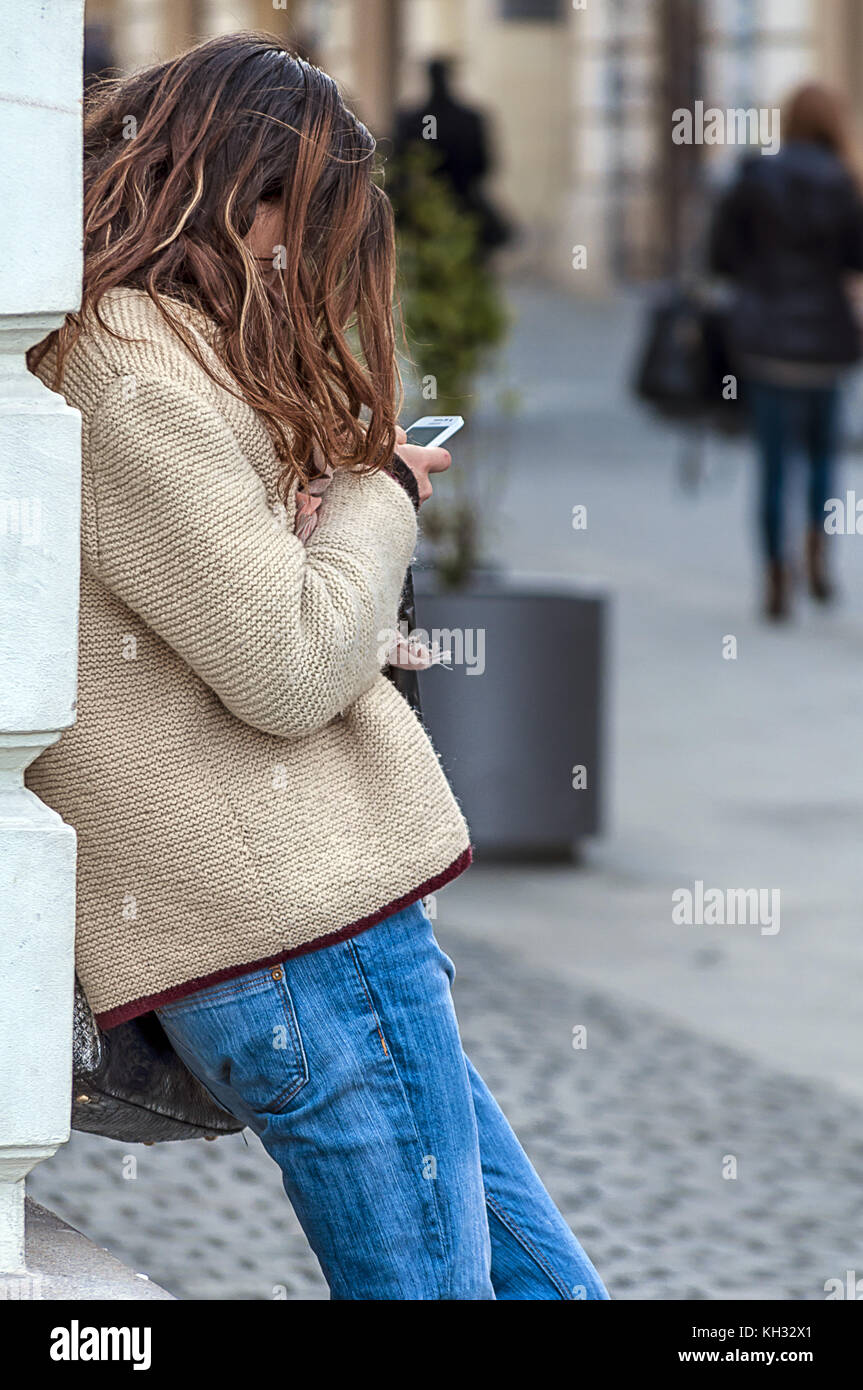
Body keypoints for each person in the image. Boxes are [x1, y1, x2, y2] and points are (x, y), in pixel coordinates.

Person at [27, 34, 607, 1302]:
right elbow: (290, 663)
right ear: (246, 195)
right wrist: (382, 488)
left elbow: (230, 602)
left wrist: (305, 513)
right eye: (312, 224)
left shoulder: (122, 344)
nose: (307, 268)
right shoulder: (131, 368)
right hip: (298, 931)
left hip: (312, 933)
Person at [709, 82, 863, 620]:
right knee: (824, 454)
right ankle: (818, 548)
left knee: (774, 464)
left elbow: (721, 256)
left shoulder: (756, 177)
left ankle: (776, 571)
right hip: (826, 343)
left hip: (767, 341)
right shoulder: (844, 181)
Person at [394, 56, 511, 259]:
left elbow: (399, 164)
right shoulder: (469, 119)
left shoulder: (412, 119)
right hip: (456, 209)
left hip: (430, 213)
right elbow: (484, 165)